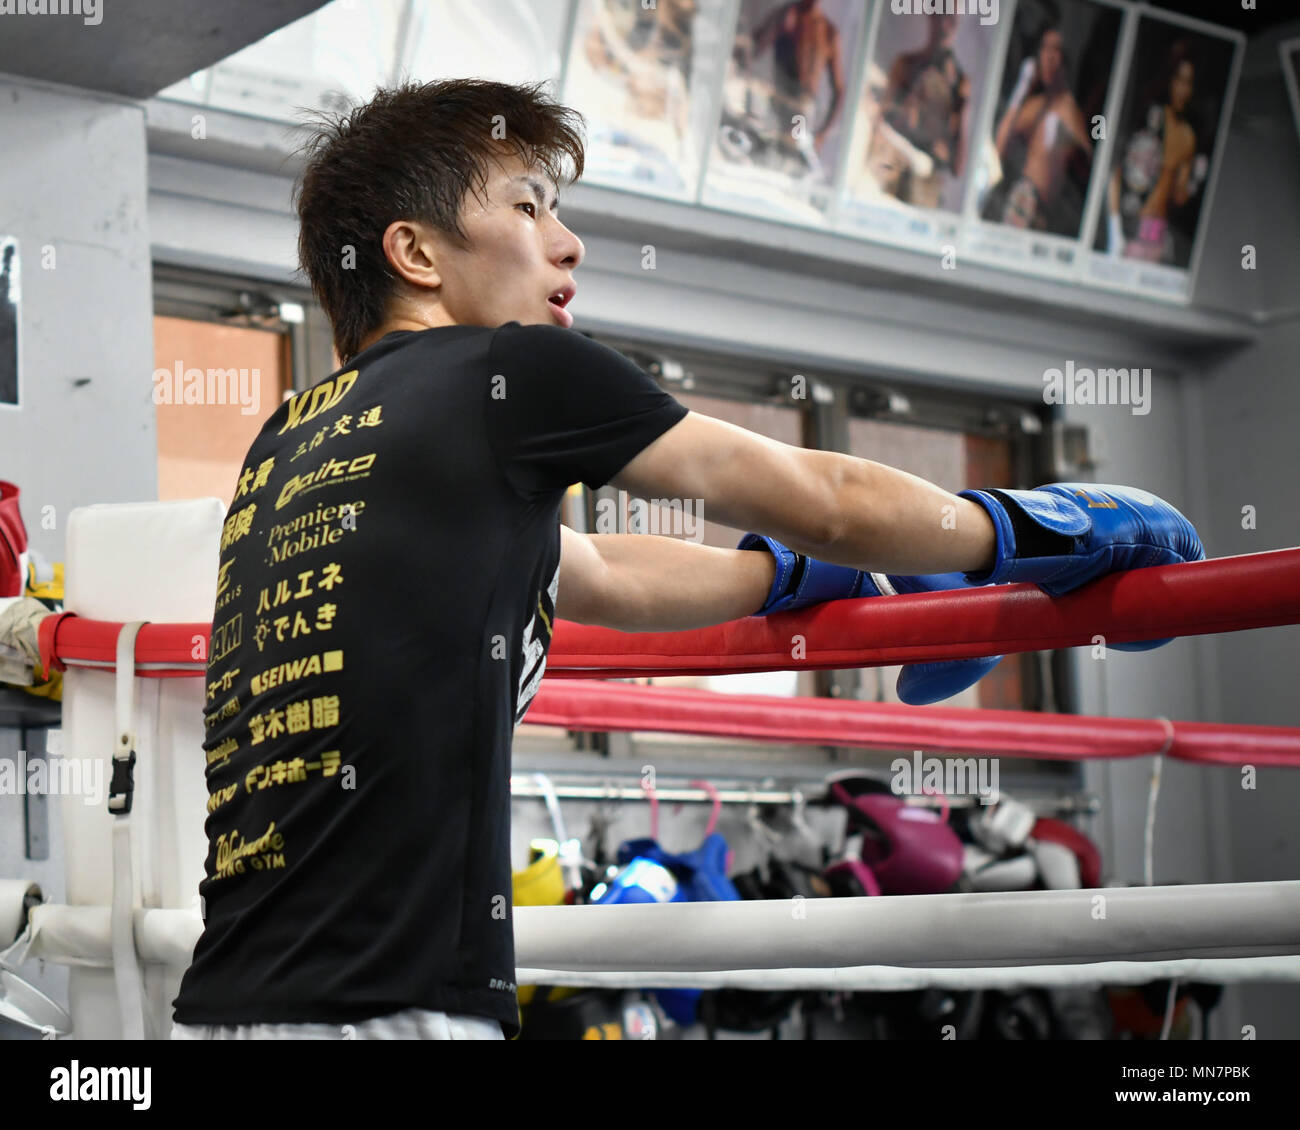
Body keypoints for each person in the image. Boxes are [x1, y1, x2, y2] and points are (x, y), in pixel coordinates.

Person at [168, 78, 1202, 1041]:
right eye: (528, 209)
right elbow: (829, 499)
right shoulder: (511, 373)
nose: (568, 245)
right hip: (384, 1003)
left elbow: (600, 575)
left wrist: (788, 578)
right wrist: (1046, 530)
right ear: (416, 253)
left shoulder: (294, 440)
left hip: (226, 1003)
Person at [1103, 39, 1207, 265]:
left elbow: (1178, 196)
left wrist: (1195, 181)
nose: (1182, 89)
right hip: (1132, 227)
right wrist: (1114, 229)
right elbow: (1115, 171)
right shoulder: (1151, 117)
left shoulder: (1189, 136)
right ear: (1170, 79)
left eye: (1188, 83)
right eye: (1179, 80)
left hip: (1158, 236)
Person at [983, 21, 1093, 234]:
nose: (1049, 57)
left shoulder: (1068, 110)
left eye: (1056, 50)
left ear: (1065, 60)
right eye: (1045, 48)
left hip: (1044, 214)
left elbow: (1087, 166)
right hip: (1019, 199)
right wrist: (1022, 87)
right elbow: (999, 148)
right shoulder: (1035, 105)